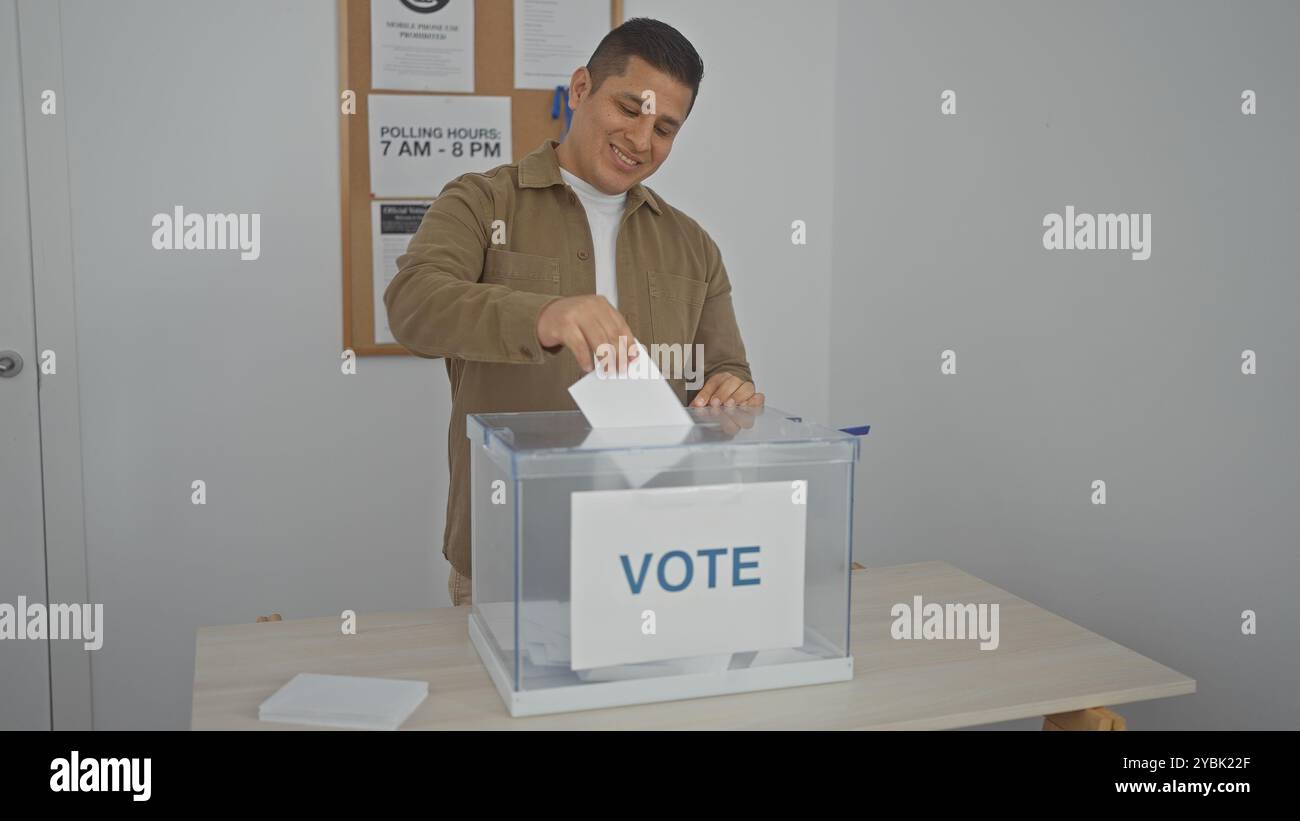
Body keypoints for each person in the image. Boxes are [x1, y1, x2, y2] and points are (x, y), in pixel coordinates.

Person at [384, 18, 763, 607]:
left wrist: (731, 394)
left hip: (650, 557)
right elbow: (413, 306)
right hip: (507, 551)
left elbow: (727, 370)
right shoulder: (482, 201)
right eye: (629, 109)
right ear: (581, 88)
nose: (642, 140)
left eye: (665, 128)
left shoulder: (694, 246)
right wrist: (544, 315)